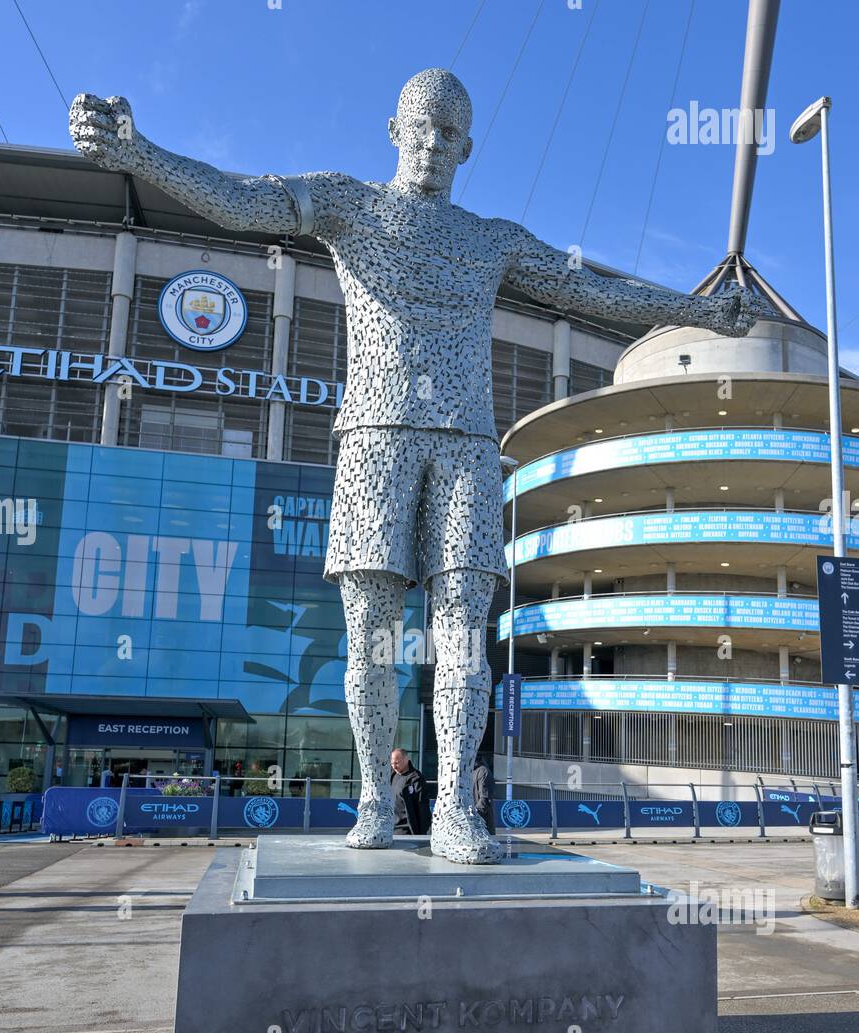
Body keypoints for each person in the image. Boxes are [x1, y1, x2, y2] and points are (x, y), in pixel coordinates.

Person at [70, 71, 759, 865]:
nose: (434, 145)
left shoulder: (489, 239)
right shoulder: (347, 204)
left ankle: (458, 811)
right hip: (373, 437)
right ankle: (372, 796)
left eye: (451, 134)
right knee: (369, 633)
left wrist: (702, 309)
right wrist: (141, 154)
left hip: (467, 444)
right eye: (423, 128)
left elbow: (589, 288)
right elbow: (242, 198)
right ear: (394, 129)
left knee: (465, 632)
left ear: (468, 147)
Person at [390, 748, 431, 835]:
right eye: (392, 763)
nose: (394, 766)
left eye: (397, 763)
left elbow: (423, 808)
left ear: (406, 760)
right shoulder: (392, 776)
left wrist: (424, 833)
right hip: (391, 829)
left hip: (407, 831)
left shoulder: (416, 779)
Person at [472, 750, 495, 834]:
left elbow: (485, 798)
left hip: (481, 820)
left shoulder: (483, 771)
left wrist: (475, 813)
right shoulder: (472, 772)